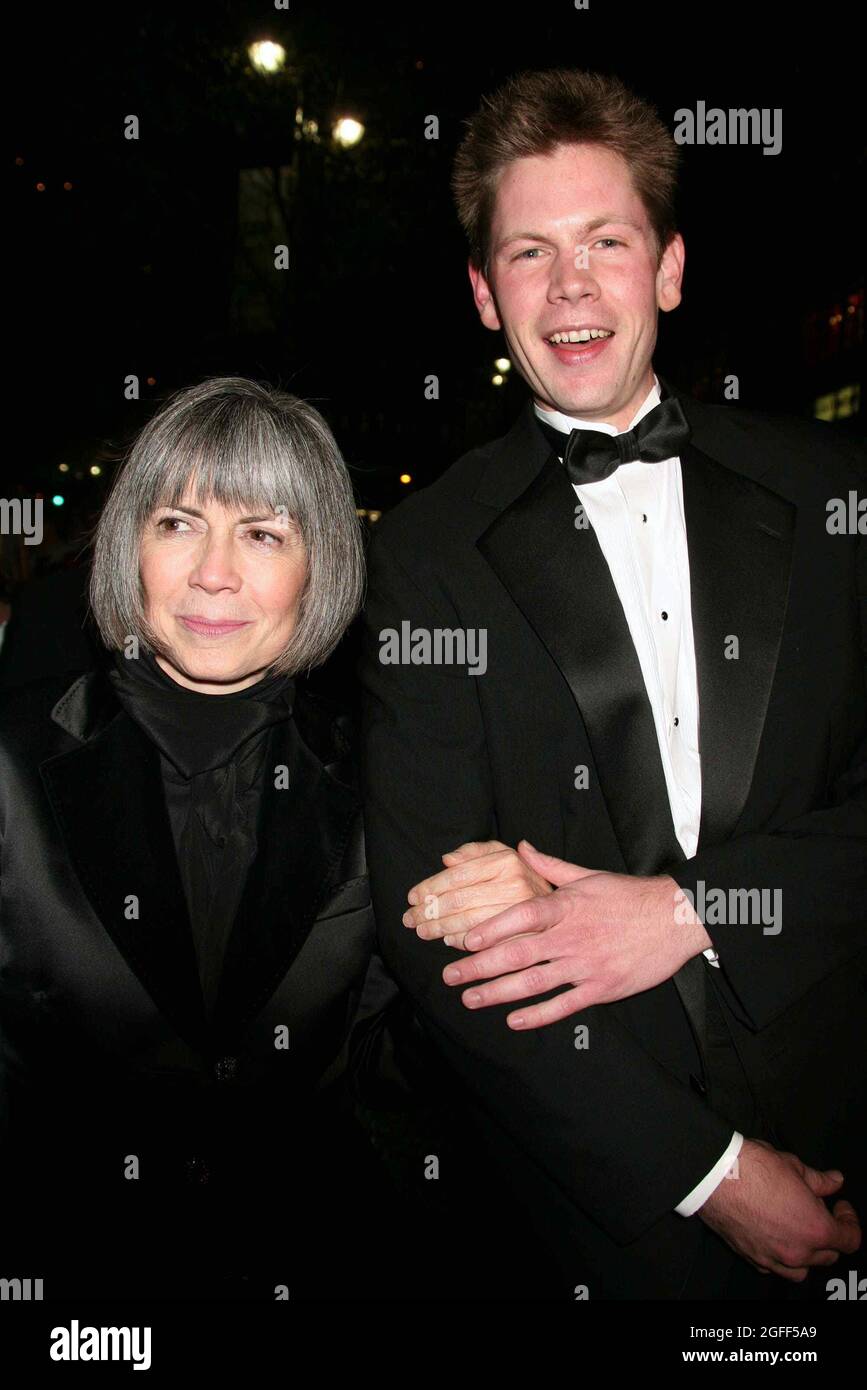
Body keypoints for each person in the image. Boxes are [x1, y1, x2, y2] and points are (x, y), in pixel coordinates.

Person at [358, 68, 866, 1299]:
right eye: (530, 253)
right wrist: (707, 1171)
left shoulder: (834, 495)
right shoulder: (422, 559)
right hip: (601, 1210)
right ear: (485, 295)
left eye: (607, 242)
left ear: (671, 268)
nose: (573, 286)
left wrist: (693, 910)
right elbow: (436, 942)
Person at [0, 377, 446, 1302]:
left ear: (319, 569)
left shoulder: (388, 789)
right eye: (177, 522)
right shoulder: (10, 773)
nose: (213, 572)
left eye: (263, 533)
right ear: (130, 544)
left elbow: (390, 1075)